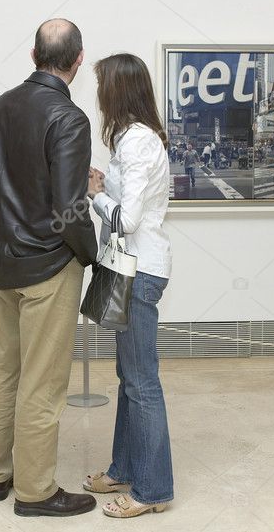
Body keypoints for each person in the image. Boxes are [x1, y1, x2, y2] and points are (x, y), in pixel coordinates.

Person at [0, 18, 98, 517]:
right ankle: (37, 491)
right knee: (43, 381)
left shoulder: (2, 106)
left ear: (32, 55)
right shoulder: (69, 118)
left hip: (4, 262)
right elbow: (69, 208)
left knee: (5, 370)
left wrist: (12, 209)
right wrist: (89, 252)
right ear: (78, 59)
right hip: (48, 266)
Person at [83, 53, 174, 518]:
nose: (98, 92)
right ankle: (124, 467)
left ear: (118, 90)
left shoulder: (137, 141)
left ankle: (153, 490)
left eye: (102, 84)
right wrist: (106, 185)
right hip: (135, 267)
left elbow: (128, 219)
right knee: (130, 379)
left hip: (138, 270)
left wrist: (97, 195)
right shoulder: (135, 139)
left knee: (142, 383)